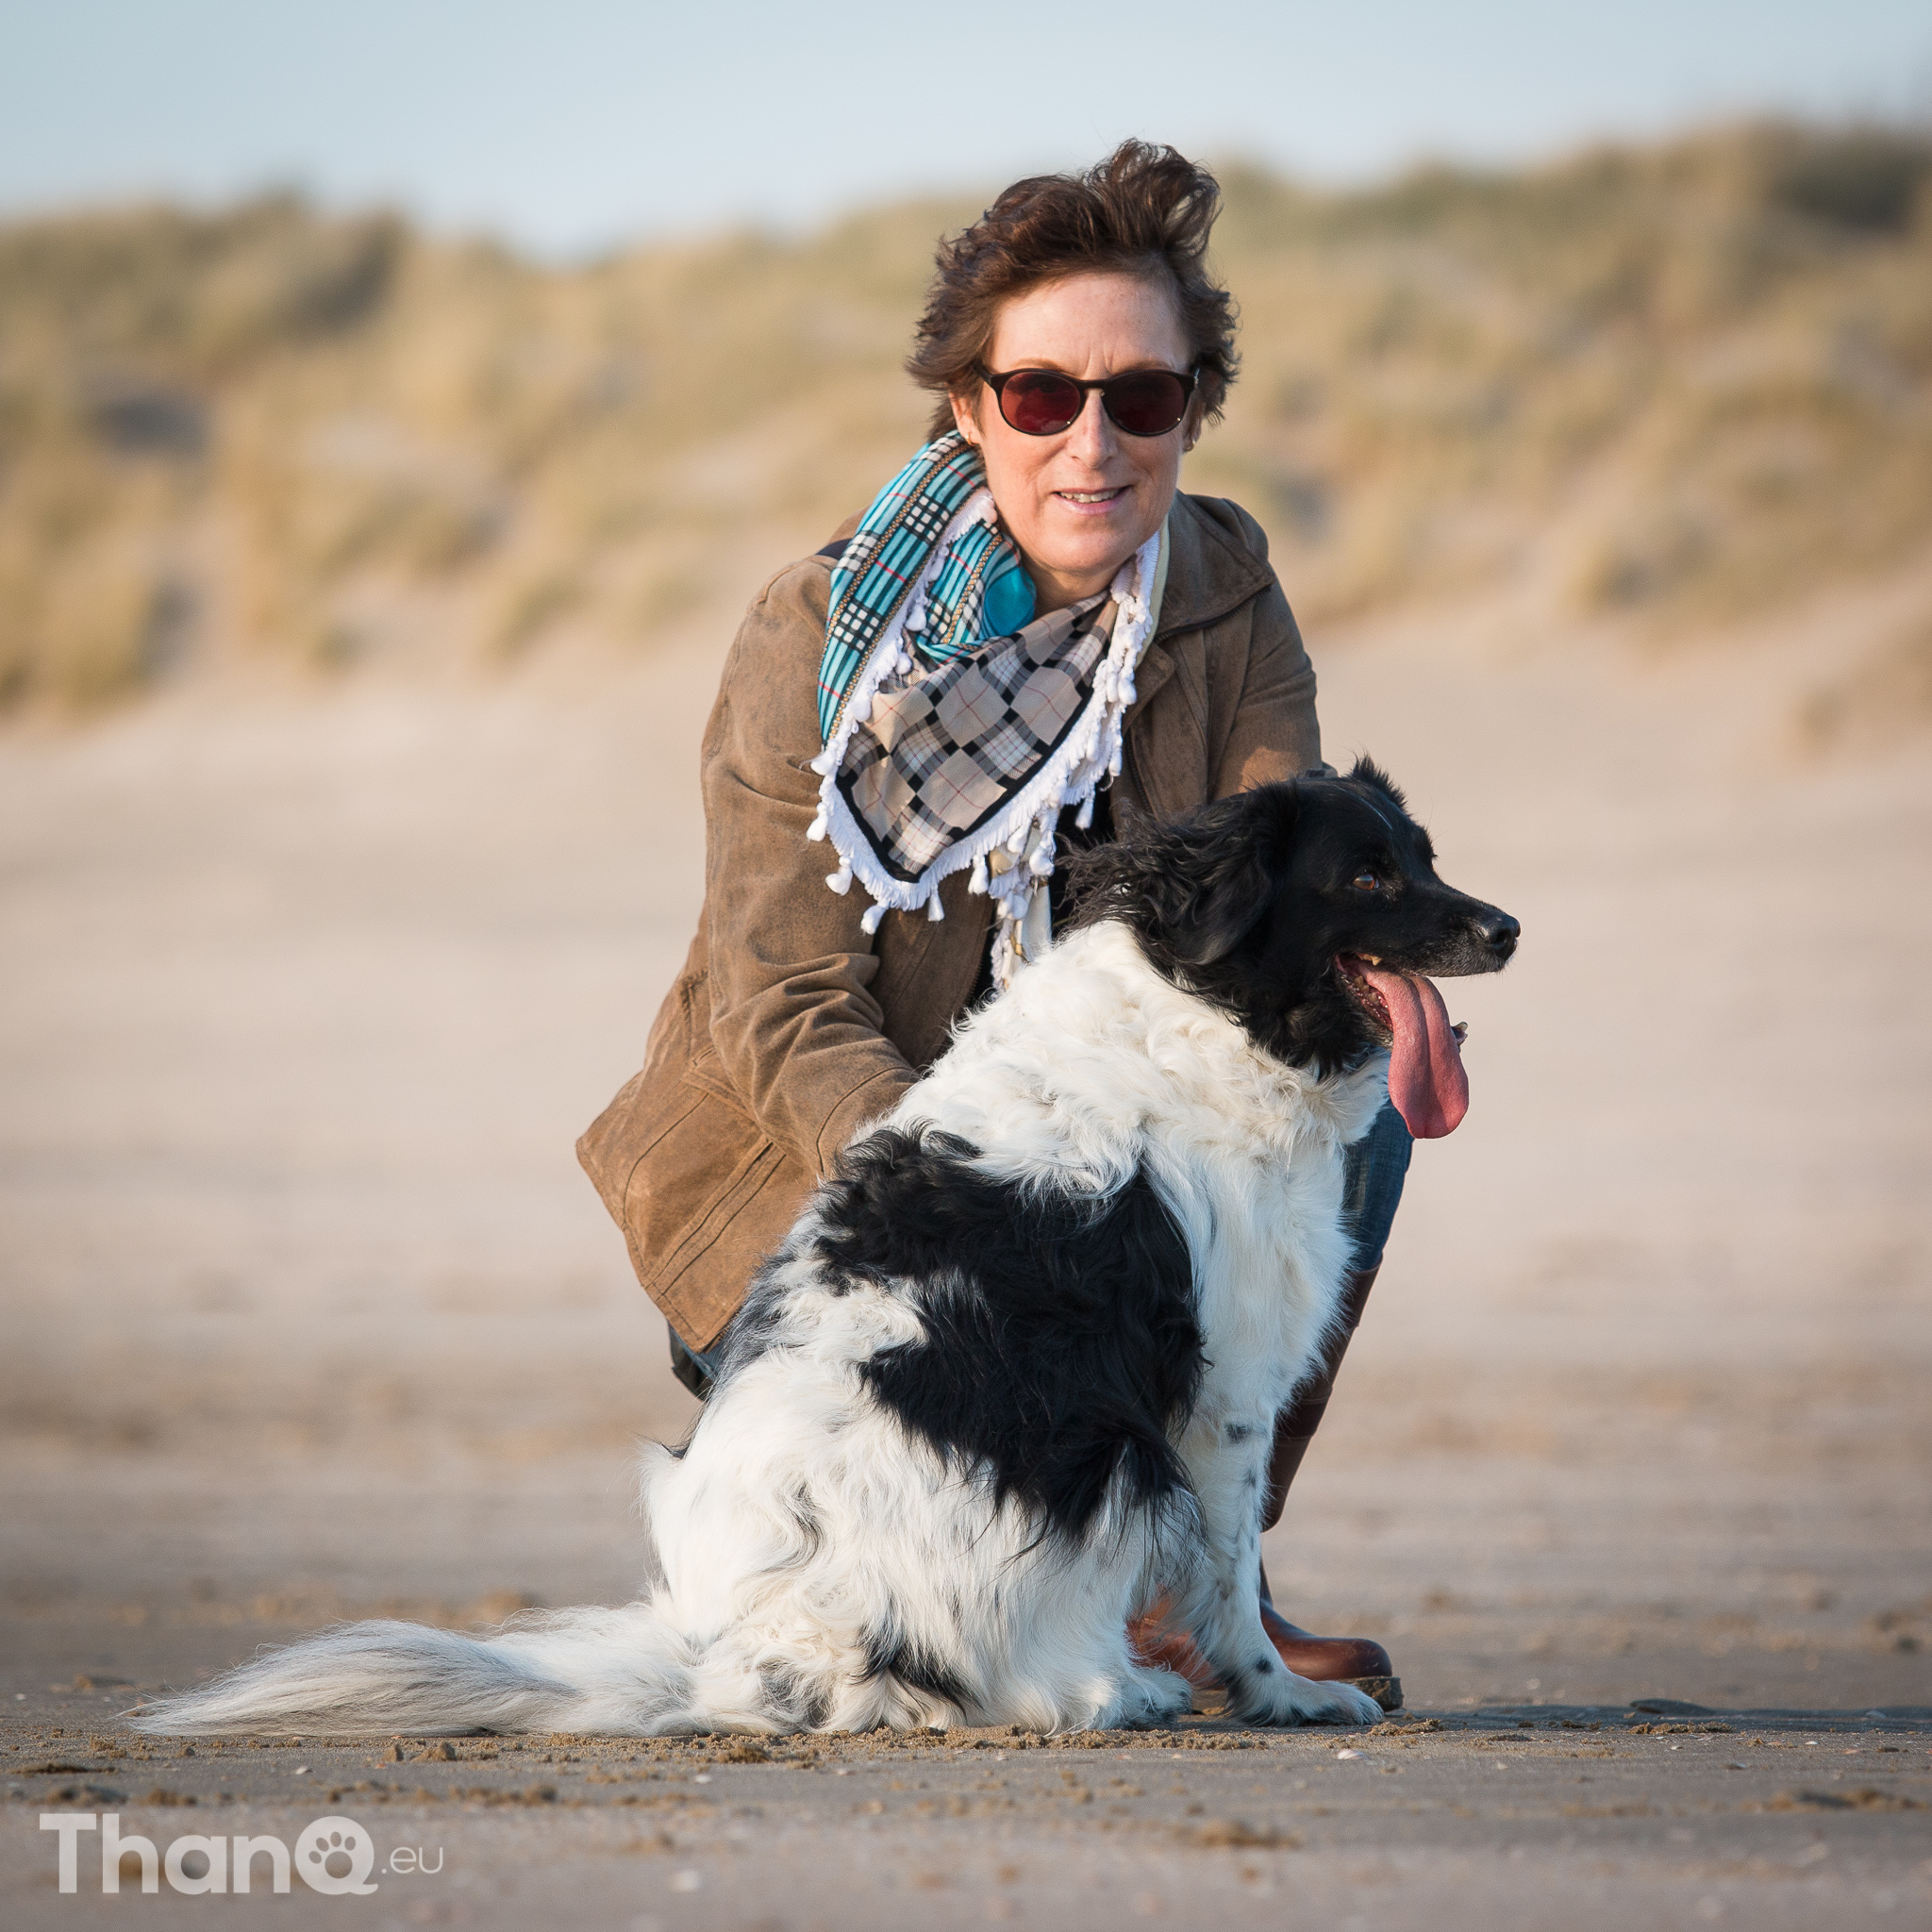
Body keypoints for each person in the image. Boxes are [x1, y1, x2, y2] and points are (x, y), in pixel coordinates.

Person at [580, 141, 1410, 1699]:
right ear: (970, 407)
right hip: (845, 1194)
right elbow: (781, 1011)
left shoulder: (1228, 593)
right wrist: (980, 1200)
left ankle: (1187, 1574)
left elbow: (1278, 935)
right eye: (1042, 396)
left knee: (1346, 1101)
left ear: (1190, 413)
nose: (1093, 441)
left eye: (1143, 398)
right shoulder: (818, 635)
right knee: (835, 1574)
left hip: (1105, 1185)